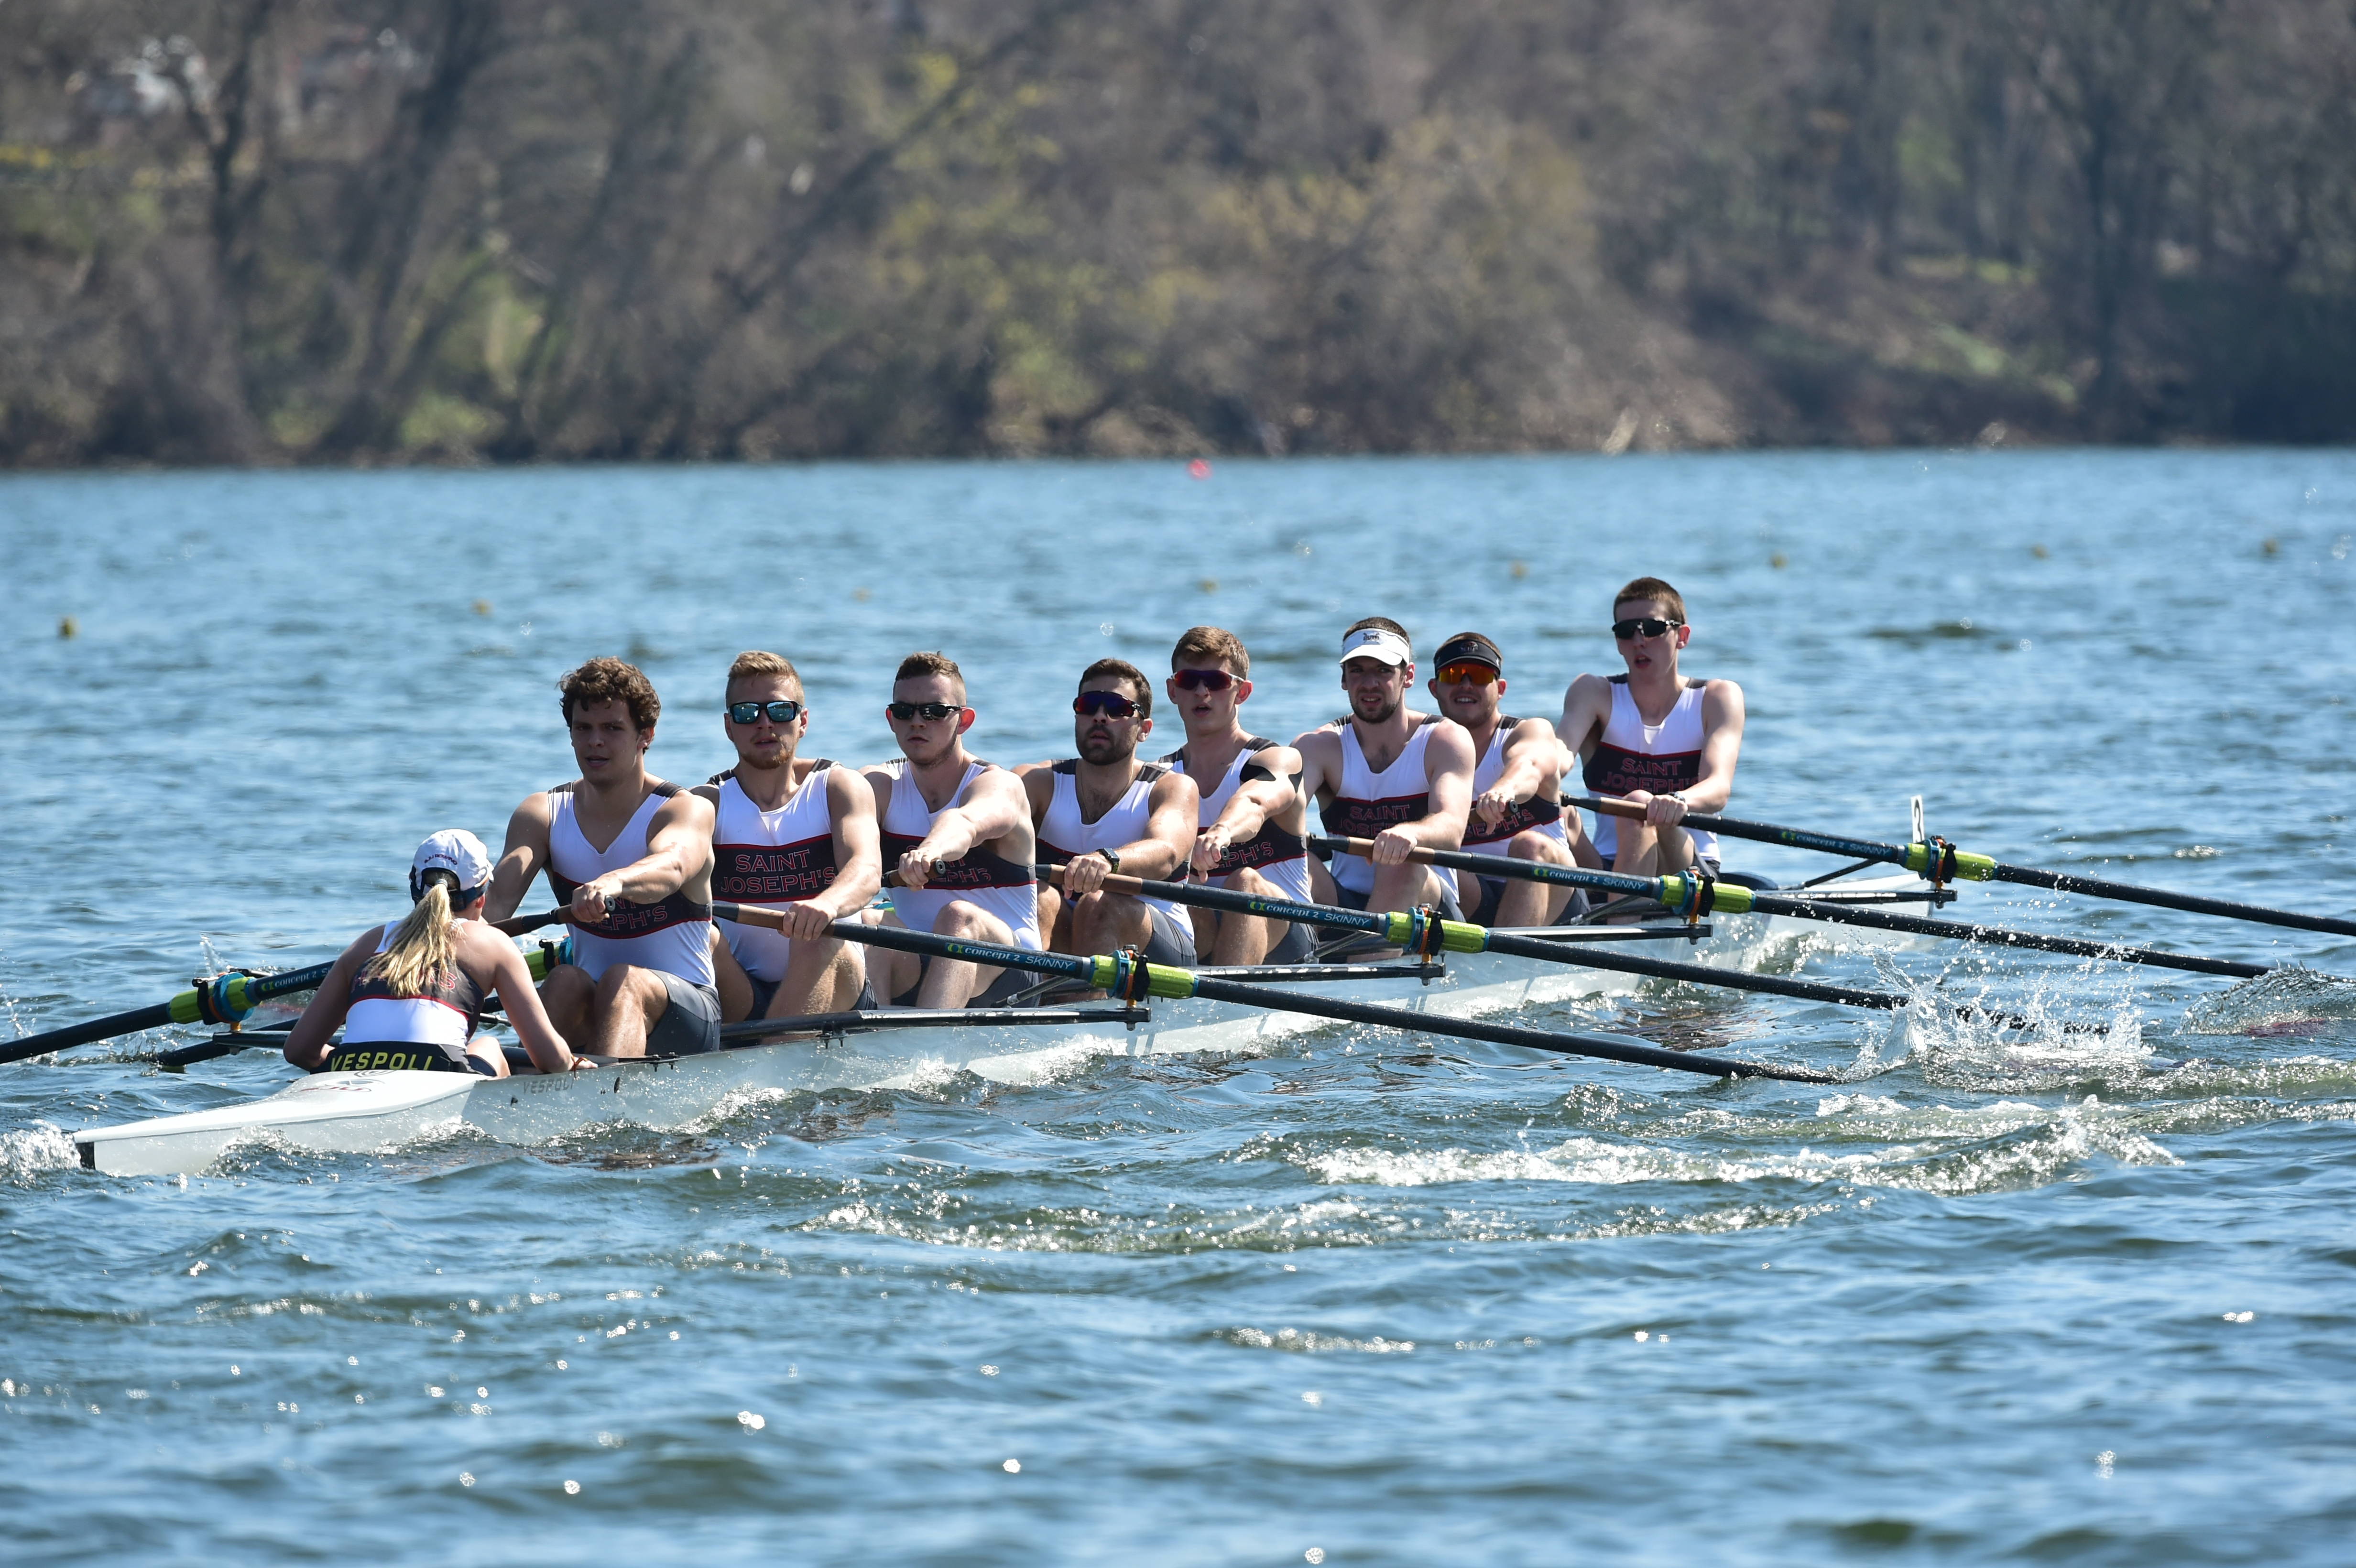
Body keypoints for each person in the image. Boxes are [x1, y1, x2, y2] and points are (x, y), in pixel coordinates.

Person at [484, 657, 721, 1058]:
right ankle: (520, 1097)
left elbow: (672, 865)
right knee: (562, 981)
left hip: (689, 1011)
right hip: (591, 1003)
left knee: (623, 980)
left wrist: (615, 882)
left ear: (646, 735)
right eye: (584, 729)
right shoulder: (542, 814)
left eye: (612, 729)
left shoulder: (683, 809)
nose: (595, 742)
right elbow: (494, 911)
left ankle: (600, 1110)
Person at [284, 830, 582, 1077]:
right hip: (441, 1072)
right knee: (488, 1045)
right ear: (482, 897)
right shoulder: (494, 944)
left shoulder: (368, 943)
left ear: (414, 889)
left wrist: (355, 1065)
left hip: (351, 1065)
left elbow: (299, 1051)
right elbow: (552, 1061)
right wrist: (570, 1062)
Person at [696, 650, 883, 1024]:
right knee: (703, 938)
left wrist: (827, 905)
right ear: (729, 726)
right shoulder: (706, 803)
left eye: (780, 711)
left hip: (836, 983)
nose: (764, 724)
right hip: (742, 991)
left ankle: (766, 1060)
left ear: (803, 721)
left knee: (818, 939)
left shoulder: (838, 787)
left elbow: (866, 870)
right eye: (747, 713)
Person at [861, 652, 1044, 1009]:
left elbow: (963, 822)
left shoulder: (999, 785)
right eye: (905, 712)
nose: (917, 722)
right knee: (869, 921)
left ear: (964, 721)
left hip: (1008, 967)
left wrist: (929, 853)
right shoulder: (877, 785)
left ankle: (928, 1050)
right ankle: (870, 1051)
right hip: (921, 959)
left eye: (934, 711)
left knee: (958, 916)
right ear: (891, 719)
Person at [1558, 576, 1745, 876]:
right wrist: (1529, 777)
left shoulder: (1716, 698)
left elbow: (1718, 789)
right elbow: (1559, 752)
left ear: (1682, 636)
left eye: (1653, 629)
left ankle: (1617, 920)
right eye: (1626, 632)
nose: (1639, 641)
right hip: (1609, 863)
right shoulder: (1592, 693)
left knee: (1640, 804)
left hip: (1688, 864)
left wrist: (1678, 801)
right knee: (1560, 812)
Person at [1022, 659, 1201, 965]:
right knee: (1039, 899)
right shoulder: (1037, 782)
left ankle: (1087, 1008)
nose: (1100, 717)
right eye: (1089, 705)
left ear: (1144, 730)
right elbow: (987, 813)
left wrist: (1108, 860)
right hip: (1070, 925)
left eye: (1117, 709)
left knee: (1098, 905)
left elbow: (1167, 851)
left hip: (1159, 940)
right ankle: (1029, 1006)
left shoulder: (1171, 788)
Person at [1295, 617, 1474, 916]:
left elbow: (1452, 826)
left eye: (1383, 670)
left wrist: (1409, 833)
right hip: (1347, 902)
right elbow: (1286, 807)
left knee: (1401, 863)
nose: (1369, 684)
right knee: (1288, 859)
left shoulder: (1445, 739)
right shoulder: (1317, 747)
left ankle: (1359, 959)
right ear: (1343, 679)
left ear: (1409, 675)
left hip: (1428, 905)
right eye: (1357, 671)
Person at [1158, 626, 1315, 964]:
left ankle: (1223, 1011)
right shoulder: (1159, 777)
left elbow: (1255, 802)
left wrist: (1222, 831)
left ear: (1241, 693)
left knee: (1243, 881)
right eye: (1189, 681)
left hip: (1287, 934)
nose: (1202, 692)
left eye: (1215, 682)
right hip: (1203, 926)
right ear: (1173, 690)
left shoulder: (1278, 759)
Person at [1425, 631, 1591, 926]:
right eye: (1454, 675)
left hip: (1554, 890)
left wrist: (1504, 790)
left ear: (1500, 688)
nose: (1466, 685)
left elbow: (1529, 764)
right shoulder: (1425, 748)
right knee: (1425, 862)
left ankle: (1503, 964)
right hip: (1478, 893)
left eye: (1478, 674)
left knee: (1528, 845)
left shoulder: (1529, 731)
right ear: (1435, 688)